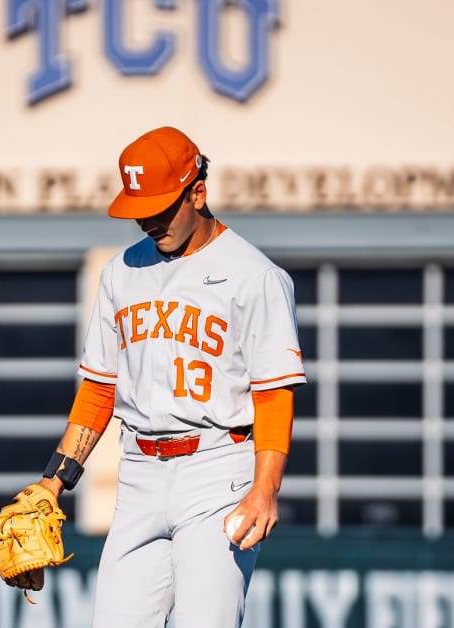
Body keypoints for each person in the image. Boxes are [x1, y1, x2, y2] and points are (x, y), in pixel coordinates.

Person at [24, 126, 306, 627]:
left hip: (219, 467)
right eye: (140, 211)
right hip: (140, 472)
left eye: (160, 207)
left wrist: (266, 488)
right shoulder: (121, 272)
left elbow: (273, 392)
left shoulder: (254, 275)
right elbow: (99, 388)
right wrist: (54, 482)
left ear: (197, 190)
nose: (149, 221)